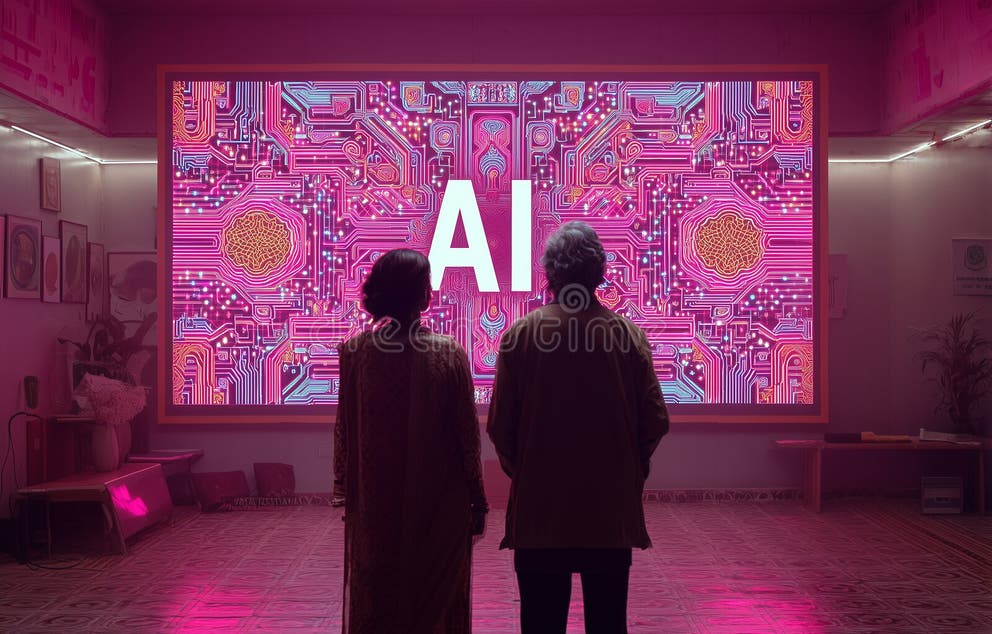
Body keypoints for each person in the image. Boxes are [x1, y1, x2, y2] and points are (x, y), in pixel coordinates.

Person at [487, 221, 670, 634]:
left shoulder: (521, 335)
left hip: (540, 513)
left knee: (540, 622)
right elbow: (655, 421)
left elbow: (500, 426)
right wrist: (629, 469)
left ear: (550, 273)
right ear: (599, 272)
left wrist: (527, 471)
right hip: (608, 512)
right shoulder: (627, 336)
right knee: (607, 622)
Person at [334, 249, 488, 633]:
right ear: (422, 295)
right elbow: (467, 437)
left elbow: (345, 434)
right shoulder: (447, 354)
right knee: (435, 603)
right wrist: (477, 500)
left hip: (374, 513)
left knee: (379, 603)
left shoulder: (355, 354)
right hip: (439, 509)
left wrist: (346, 493)